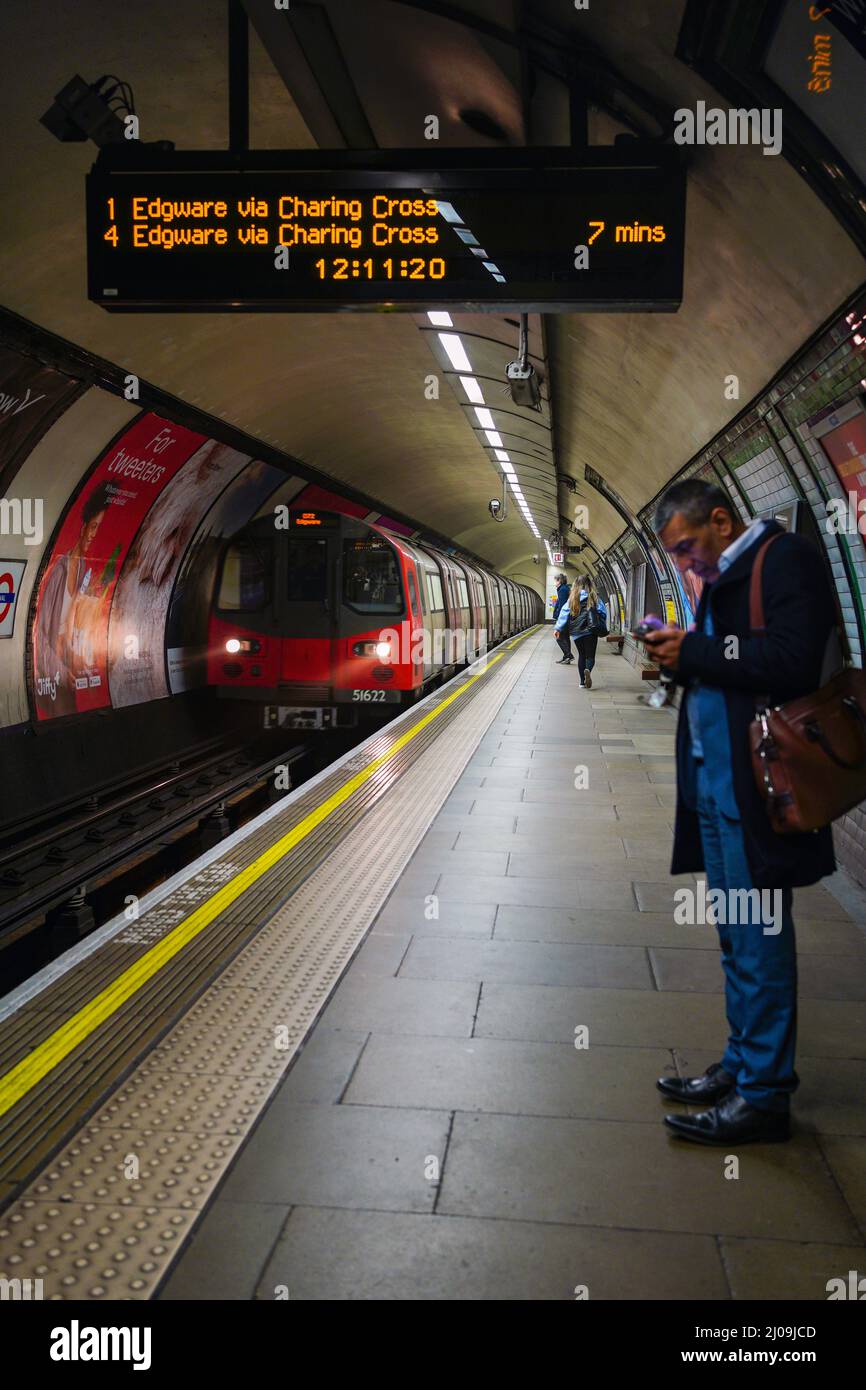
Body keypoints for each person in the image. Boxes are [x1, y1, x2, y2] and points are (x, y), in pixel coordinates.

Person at [643, 478, 835, 1145]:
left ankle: (764, 1096)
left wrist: (692, 651)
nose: (685, 563)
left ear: (721, 520)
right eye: (674, 555)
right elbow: (726, 664)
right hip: (715, 787)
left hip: (756, 793)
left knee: (758, 939)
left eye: (688, 547)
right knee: (734, 938)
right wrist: (678, 655)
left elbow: (792, 659)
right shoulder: (723, 573)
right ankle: (741, 1063)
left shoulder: (786, 560)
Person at [566, 575, 606, 688]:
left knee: (581, 655)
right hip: (590, 631)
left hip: (576, 632)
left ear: (576, 585)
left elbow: (564, 613)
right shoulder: (594, 597)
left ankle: (582, 682)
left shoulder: (572, 599)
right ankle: (588, 670)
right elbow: (603, 612)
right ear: (590, 585)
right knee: (590, 657)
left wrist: (558, 629)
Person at [552, 579, 574, 663]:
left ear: (559, 581)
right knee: (565, 637)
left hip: (564, 618)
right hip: (567, 618)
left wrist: (560, 621)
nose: (555, 583)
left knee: (559, 637)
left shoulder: (562, 590)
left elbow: (563, 606)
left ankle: (568, 655)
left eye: (555, 580)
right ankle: (566, 657)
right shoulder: (564, 589)